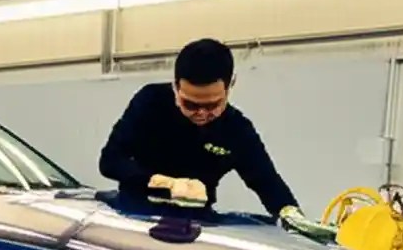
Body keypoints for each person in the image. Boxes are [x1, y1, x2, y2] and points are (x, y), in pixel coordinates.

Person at [99, 38, 304, 223]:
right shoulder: (150, 102)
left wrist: (291, 215)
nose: (201, 114)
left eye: (213, 105)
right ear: (175, 87)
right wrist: (164, 183)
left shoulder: (236, 129)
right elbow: (110, 161)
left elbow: (266, 181)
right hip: (136, 214)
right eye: (190, 104)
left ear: (230, 86)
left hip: (197, 222)